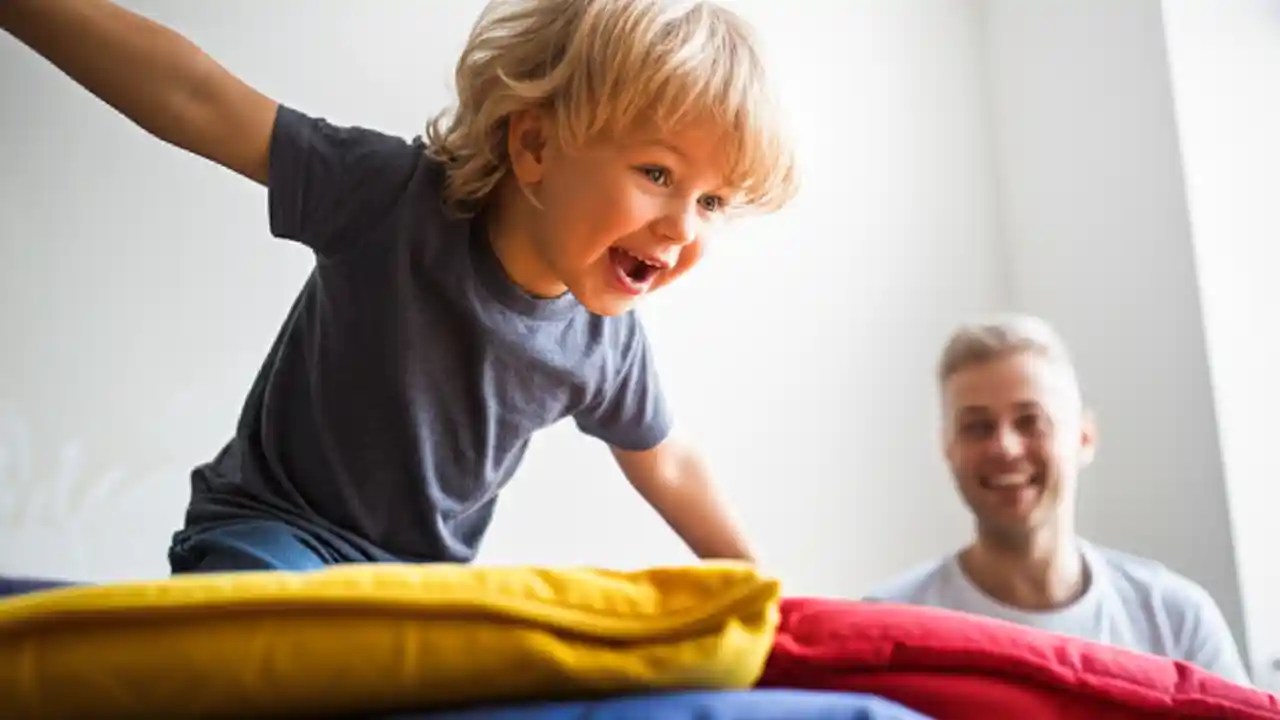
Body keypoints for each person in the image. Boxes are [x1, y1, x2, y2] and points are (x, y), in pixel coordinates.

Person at [0, 0, 797, 572]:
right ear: (537, 147)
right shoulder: (388, 197)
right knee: (266, 626)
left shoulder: (603, 345)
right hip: (276, 535)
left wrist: (761, 585)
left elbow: (668, 463)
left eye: (712, 202)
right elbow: (196, 98)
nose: (683, 227)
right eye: (658, 173)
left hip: (414, 588)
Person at [867, 314, 1251, 685]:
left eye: (1030, 420)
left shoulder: (1175, 620)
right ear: (947, 447)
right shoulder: (884, 631)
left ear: (1084, 438)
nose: (1005, 446)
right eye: (978, 427)